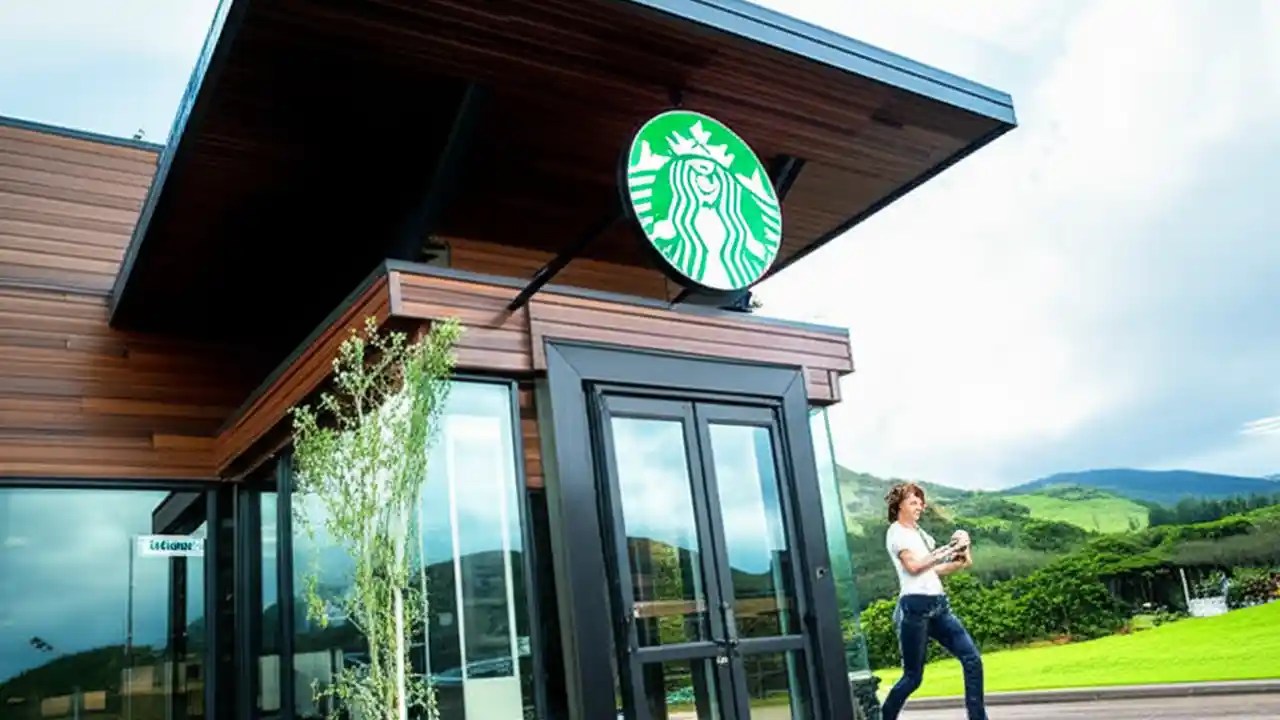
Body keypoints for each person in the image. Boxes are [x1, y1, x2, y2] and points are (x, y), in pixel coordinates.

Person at [880, 482, 987, 720]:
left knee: (972, 660)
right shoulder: (896, 532)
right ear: (899, 506)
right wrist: (948, 548)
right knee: (913, 677)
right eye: (913, 502)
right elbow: (915, 567)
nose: (919, 506)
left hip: (939, 605)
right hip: (915, 607)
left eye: (920, 502)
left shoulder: (922, 535)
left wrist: (962, 553)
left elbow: (935, 570)